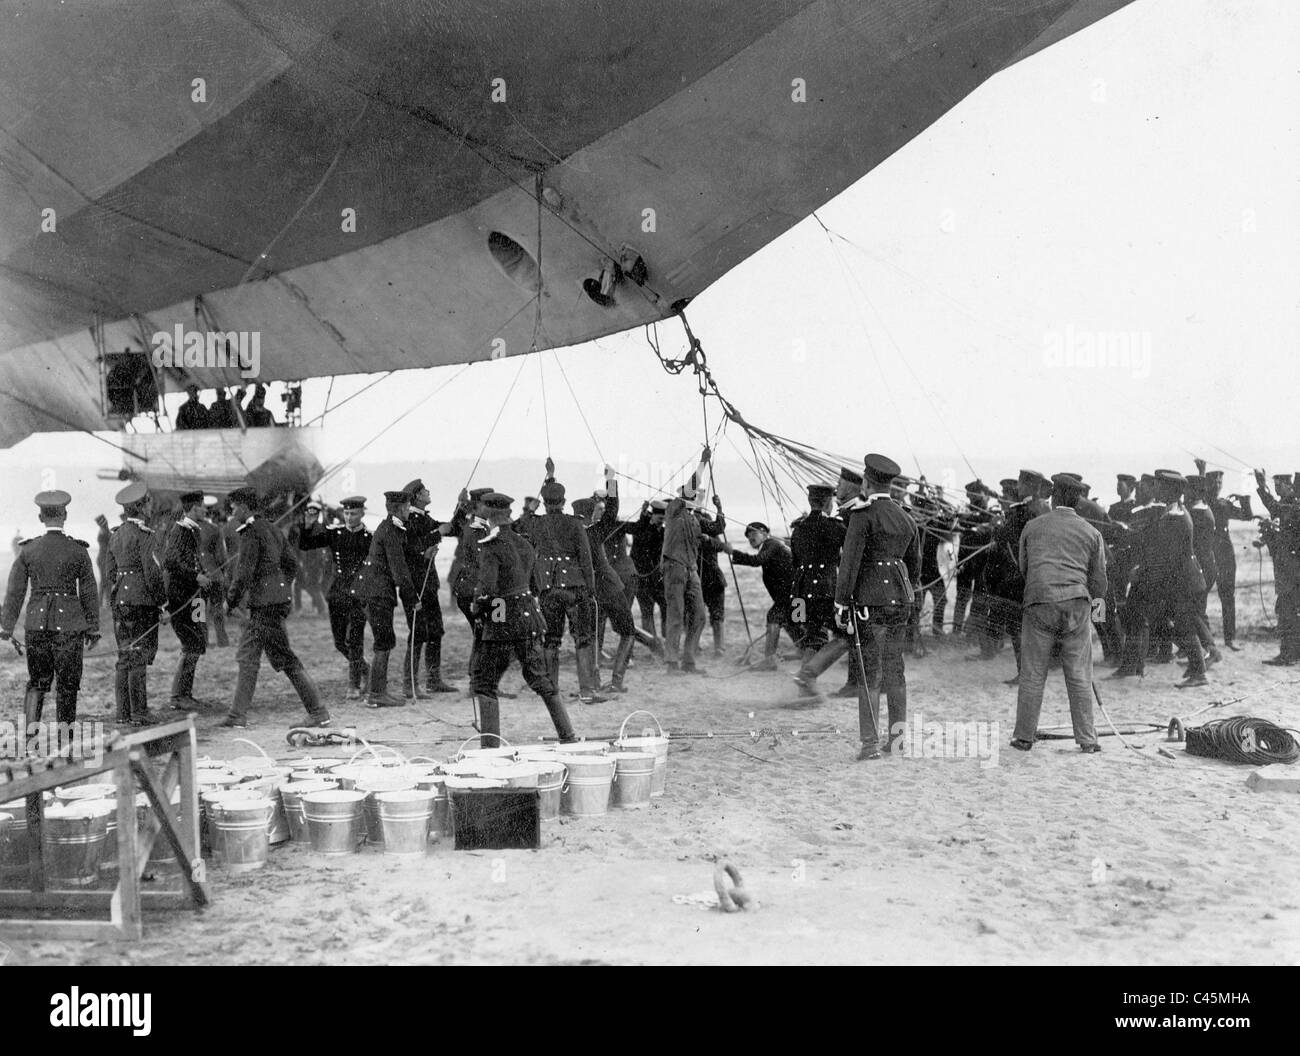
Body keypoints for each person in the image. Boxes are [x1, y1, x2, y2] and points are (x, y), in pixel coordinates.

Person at [1009, 474, 1107, 753]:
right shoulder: (1091, 532)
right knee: (1079, 674)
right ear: (1078, 501)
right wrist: (1096, 618)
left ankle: (1024, 737)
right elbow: (1099, 581)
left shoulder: (1032, 526)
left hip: (1039, 603)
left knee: (1032, 673)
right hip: (1077, 605)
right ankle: (1088, 740)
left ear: (1053, 498)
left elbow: (1024, 568)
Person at [470, 493, 578, 747]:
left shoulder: (491, 547)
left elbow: (488, 591)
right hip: (529, 620)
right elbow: (536, 585)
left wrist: (481, 612)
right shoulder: (525, 544)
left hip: (502, 624)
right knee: (542, 680)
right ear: (508, 515)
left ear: (489, 517)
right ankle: (568, 737)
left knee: (484, 684)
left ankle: (490, 747)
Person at [221, 487, 329, 728]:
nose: (232, 511)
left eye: (235, 506)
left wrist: (230, 600)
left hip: (263, 606)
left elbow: (243, 573)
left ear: (246, 507)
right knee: (249, 657)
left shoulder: (250, 533)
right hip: (273, 603)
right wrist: (280, 588)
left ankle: (318, 711)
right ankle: (237, 715)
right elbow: (292, 565)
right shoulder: (273, 529)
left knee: (284, 658)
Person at [836, 454, 920, 761]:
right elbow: (916, 567)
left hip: (869, 602)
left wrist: (841, 602)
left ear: (867, 483)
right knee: (895, 671)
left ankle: (869, 744)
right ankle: (897, 741)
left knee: (869, 672)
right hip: (901, 600)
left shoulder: (862, 515)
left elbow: (850, 563)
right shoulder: (906, 518)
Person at [1, 490, 99, 736]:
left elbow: (15, 592)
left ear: (40, 516)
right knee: (67, 686)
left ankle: (29, 738)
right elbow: (89, 592)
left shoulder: (28, 550)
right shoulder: (78, 550)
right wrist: (93, 628)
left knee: (37, 683)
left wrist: (6, 627)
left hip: (36, 625)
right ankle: (65, 743)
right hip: (69, 627)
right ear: (65, 515)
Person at [516, 472, 604, 702]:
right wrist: (591, 589)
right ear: (564, 502)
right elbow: (585, 558)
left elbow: (518, 526)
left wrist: (535, 500)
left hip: (548, 590)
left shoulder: (535, 523)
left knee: (551, 640)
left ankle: (551, 690)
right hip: (575, 588)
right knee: (583, 639)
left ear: (544, 503)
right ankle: (587, 691)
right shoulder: (574, 524)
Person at [299, 496, 373, 699]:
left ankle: (353, 685)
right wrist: (308, 525)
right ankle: (366, 669)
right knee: (340, 642)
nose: (349, 517)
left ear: (362, 513)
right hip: (337, 593)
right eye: (347, 513)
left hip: (359, 594)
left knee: (355, 639)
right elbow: (306, 545)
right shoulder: (335, 534)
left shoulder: (369, 537)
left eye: (354, 513)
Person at [106, 481, 166, 726]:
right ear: (141, 508)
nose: (151, 507)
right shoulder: (145, 536)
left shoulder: (116, 535)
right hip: (142, 602)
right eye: (148, 503)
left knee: (124, 656)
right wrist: (162, 603)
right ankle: (140, 713)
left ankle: (123, 713)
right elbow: (152, 573)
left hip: (120, 599)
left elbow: (109, 571)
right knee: (139, 656)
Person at [660, 450, 722, 675]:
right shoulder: (674, 510)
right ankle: (671, 663)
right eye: (693, 494)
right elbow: (691, 486)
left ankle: (688, 660)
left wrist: (719, 509)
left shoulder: (697, 519)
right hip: (674, 567)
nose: (696, 496)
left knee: (699, 616)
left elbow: (718, 529)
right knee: (675, 615)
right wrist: (703, 463)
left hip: (691, 569)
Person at [356, 490, 419, 707]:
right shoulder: (391, 531)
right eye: (408, 507)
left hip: (373, 591)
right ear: (400, 509)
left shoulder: (388, 528)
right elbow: (399, 571)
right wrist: (413, 600)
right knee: (383, 642)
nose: (409, 510)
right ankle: (376, 695)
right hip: (377, 593)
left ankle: (377, 692)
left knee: (383, 641)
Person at [572, 496, 639, 694]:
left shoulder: (571, 535)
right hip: (610, 588)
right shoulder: (595, 532)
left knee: (592, 637)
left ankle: (593, 683)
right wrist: (611, 482)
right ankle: (616, 681)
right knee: (628, 632)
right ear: (591, 513)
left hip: (587, 592)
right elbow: (612, 510)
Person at [401, 478, 457, 696]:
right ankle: (410, 684)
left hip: (429, 584)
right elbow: (412, 544)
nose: (428, 492)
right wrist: (437, 534)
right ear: (417, 496)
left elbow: (448, 528)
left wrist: (460, 508)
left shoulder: (424, 518)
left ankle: (434, 680)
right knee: (418, 632)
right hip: (416, 585)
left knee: (436, 630)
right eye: (425, 491)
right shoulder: (411, 519)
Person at [162, 491, 212, 710]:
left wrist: (202, 575)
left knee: (199, 640)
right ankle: (178, 696)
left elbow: (191, 561)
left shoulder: (193, 530)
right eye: (202, 506)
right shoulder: (180, 530)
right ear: (193, 508)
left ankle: (185, 695)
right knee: (191, 643)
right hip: (183, 598)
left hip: (197, 599)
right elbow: (170, 561)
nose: (205, 510)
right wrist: (195, 577)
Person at [723, 521, 795, 670]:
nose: (751, 539)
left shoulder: (772, 544)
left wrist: (733, 552)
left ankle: (769, 661)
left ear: (764, 533)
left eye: (753, 534)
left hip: (791, 595)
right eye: (748, 537)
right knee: (791, 621)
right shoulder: (772, 545)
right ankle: (801, 650)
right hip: (793, 595)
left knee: (775, 617)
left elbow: (757, 561)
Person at [1255, 469, 1300, 665]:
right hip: (1289, 570)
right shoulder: (1288, 506)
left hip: (1291, 572)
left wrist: (1271, 534)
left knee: (1287, 610)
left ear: (1290, 486)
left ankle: (1288, 655)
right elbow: (1274, 507)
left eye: (1279, 485)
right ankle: (1292, 653)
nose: (1276, 488)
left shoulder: (1291, 507)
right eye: (1274, 485)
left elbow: (1288, 538)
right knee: (1290, 610)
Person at [1204, 470, 1252, 650]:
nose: (1217, 485)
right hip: (1208, 554)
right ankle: (1201, 641)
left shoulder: (1224, 504)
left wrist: (1243, 499)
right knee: (1200, 595)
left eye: (1219, 482)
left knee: (1228, 596)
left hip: (1224, 554)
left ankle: (1229, 639)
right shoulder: (1203, 502)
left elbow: (1246, 516)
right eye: (1213, 482)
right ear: (1206, 484)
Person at [626, 499, 668, 642]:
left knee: (666, 607)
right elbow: (644, 540)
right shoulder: (641, 531)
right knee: (647, 612)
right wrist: (646, 520)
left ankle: (666, 639)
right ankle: (652, 642)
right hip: (642, 579)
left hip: (658, 579)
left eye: (664, 519)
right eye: (660, 519)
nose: (662, 522)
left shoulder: (663, 531)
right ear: (652, 516)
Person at [198, 497, 230, 646]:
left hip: (198, 576)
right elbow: (221, 556)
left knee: (198, 609)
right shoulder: (215, 529)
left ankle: (201, 641)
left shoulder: (189, 529)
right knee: (217, 609)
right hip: (215, 575)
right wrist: (222, 570)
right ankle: (222, 640)